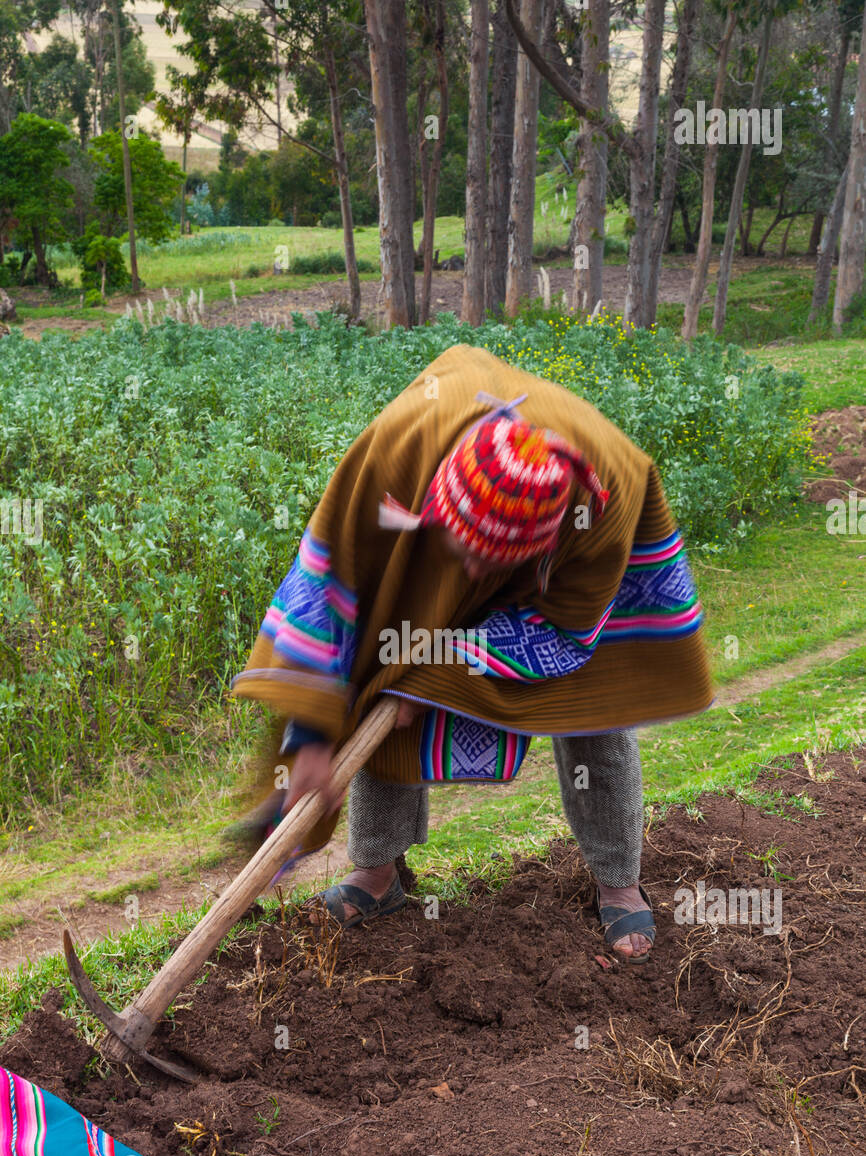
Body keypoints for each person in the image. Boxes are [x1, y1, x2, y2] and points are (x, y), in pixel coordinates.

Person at [232, 344, 712, 963]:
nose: (477, 571)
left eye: (494, 560)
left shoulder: (604, 497)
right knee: (386, 663)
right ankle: (377, 875)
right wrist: (314, 733)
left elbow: (569, 633)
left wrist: (438, 673)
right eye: (470, 553)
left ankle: (618, 878)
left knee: (594, 702)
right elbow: (327, 595)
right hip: (430, 499)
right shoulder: (394, 454)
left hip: (563, 581)